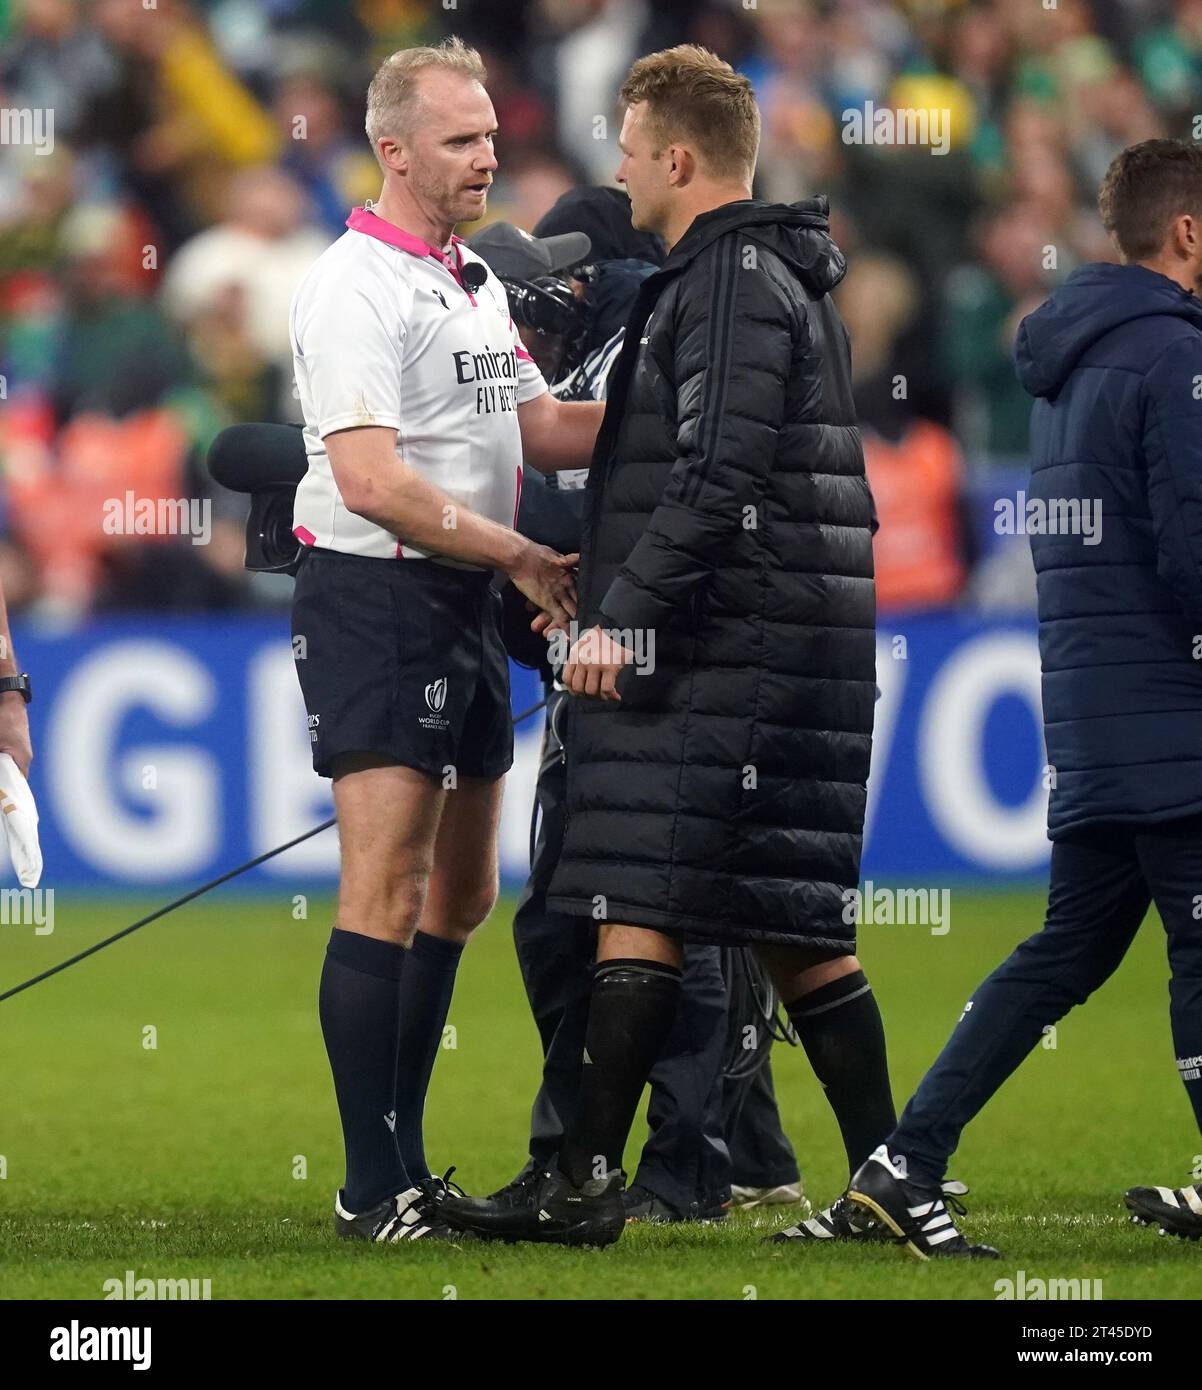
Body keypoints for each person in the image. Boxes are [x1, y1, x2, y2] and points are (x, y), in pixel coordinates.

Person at [450, 44, 888, 1248]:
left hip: (732, 650)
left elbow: (716, 473)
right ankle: (872, 1178)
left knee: (673, 903)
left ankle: (598, 1180)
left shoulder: (734, 277)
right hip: (755, 637)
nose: (621, 170)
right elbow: (682, 473)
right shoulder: (740, 275)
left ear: (678, 158)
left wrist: (619, 617)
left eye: (633, 149)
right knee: (759, 922)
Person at [848, 138, 1202, 1259]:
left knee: (1066, 949)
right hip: (1170, 709)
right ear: (1187, 233)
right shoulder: (1170, 358)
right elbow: (1191, 547)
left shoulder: (1069, 357)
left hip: (1099, 704)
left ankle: (904, 1161)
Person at [286, 37, 603, 1245]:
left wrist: (693, 394)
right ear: (394, 150)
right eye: (461, 138)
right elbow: (367, 480)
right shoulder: (351, 285)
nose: (487, 154)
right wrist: (516, 553)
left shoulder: (470, 279)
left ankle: (403, 1163)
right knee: (382, 884)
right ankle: (372, 1185)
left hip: (464, 592)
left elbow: (547, 430)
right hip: (378, 595)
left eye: (487, 133)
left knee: (461, 891)